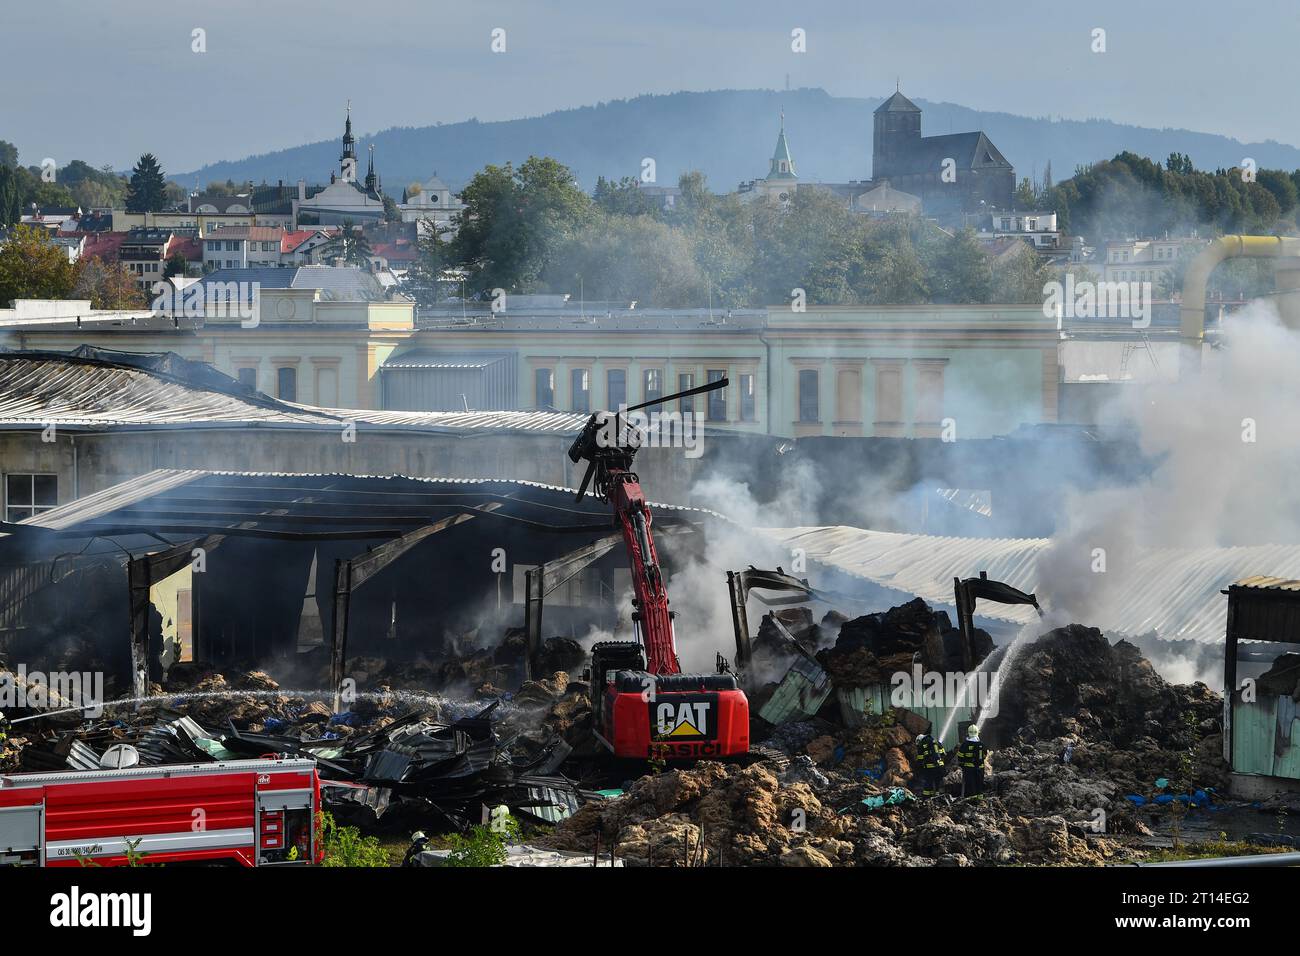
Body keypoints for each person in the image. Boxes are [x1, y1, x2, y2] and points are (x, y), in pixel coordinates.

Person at [955, 726, 990, 799]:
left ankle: (973, 802)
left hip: (969, 769)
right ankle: (980, 802)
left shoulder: (964, 745)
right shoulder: (981, 744)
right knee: (979, 786)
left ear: (968, 733)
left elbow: (960, 757)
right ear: (977, 733)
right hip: (980, 769)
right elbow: (985, 755)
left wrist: (963, 764)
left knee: (971, 787)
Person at [914, 732, 946, 797]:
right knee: (938, 782)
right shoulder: (936, 741)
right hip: (940, 767)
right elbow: (944, 753)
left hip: (930, 768)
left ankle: (927, 798)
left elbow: (920, 758)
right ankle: (938, 796)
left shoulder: (922, 743)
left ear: (919, 740)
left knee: (928, 783)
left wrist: (918, 765)